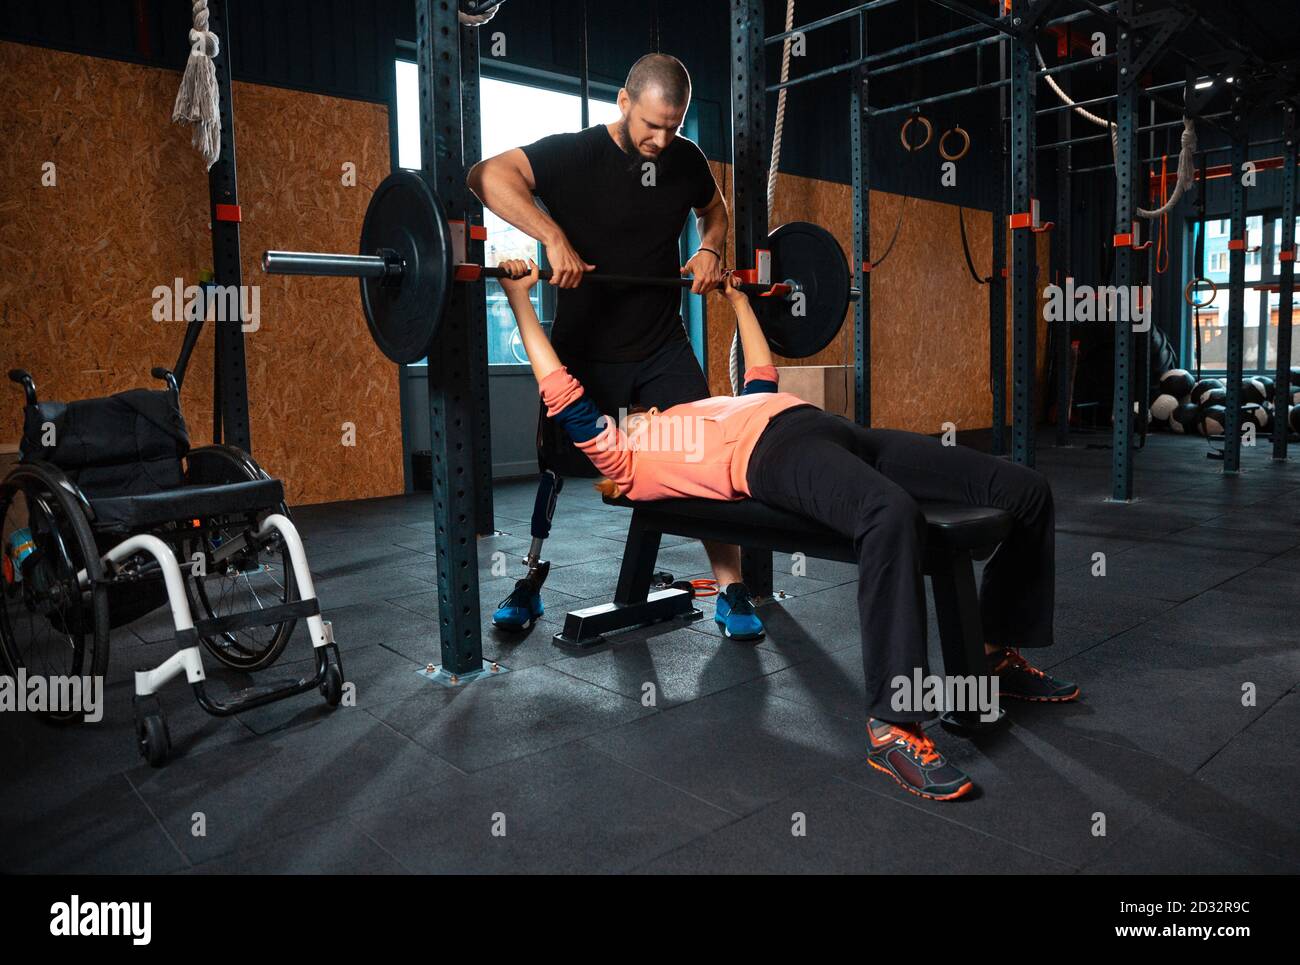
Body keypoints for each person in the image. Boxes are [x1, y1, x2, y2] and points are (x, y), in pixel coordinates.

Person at [495, 258, 1081, 802]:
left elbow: (761, 373)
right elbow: (562, 393)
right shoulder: (626, 459)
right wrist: (520, 299)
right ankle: (893, 725)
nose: (641, 410)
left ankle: (994, 656)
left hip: (829, 428)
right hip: (769, 457)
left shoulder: (705, 406)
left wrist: (736, 297)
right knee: (889, 514)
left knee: (1025, 489)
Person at [466, 52, 765, 641]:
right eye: (650, 124)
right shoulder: (576, 153)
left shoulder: (685, 160)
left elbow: (715, 210)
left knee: (705, 457)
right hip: (585, 345)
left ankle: (730, 587)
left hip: (660, 343)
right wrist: (551, 236)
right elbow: (485, 175)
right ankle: (529, 579)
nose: (659, 138)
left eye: (672, 127)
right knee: (556, 464)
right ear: (624, 102)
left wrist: (710, 249)